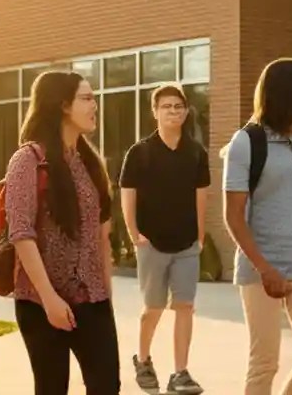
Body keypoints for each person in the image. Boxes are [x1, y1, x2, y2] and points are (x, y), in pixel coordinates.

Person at [223, 58, 292, 395]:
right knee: (264, 363)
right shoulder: (247, 142)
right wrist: (264, 267)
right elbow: (233, 215)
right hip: (260, 269)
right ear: (289, 93)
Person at [6, 71, 119, 395]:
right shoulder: (28, 160)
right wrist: (49, 299)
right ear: (62, 105)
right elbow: (21, 234)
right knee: (52, 388)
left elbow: (101, 238)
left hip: (92, 299)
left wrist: (106, 297)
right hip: (40, 302)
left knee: (106, 386)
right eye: (86, 98)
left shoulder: (89, 162)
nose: (94, 105)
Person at [121, 83, 209, 394]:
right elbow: (127, 194)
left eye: (178, 106)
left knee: (185, 306)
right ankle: (143, 360)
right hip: (151, 243)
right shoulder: (140, 151)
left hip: (186, 244)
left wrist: (200, 236)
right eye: (166, 106)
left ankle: (180, 373)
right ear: (155, 112)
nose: (173, 111)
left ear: (186, 112)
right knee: (154, 307)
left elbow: (202, 196)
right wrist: (134, 233)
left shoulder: (196, 152)